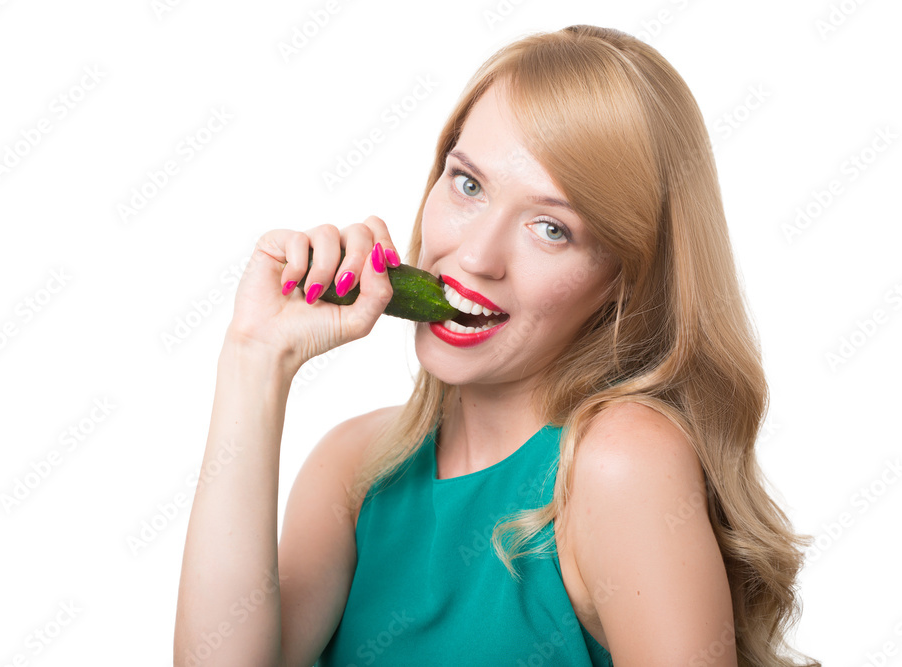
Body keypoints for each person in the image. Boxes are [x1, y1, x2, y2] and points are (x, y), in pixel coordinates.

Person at [174, 24, 820, 666]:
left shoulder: (619, 461)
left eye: (550, 228)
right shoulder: (354, 467)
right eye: (469, 184)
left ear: (623, 278)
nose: (476, 256)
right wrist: (254, 357)